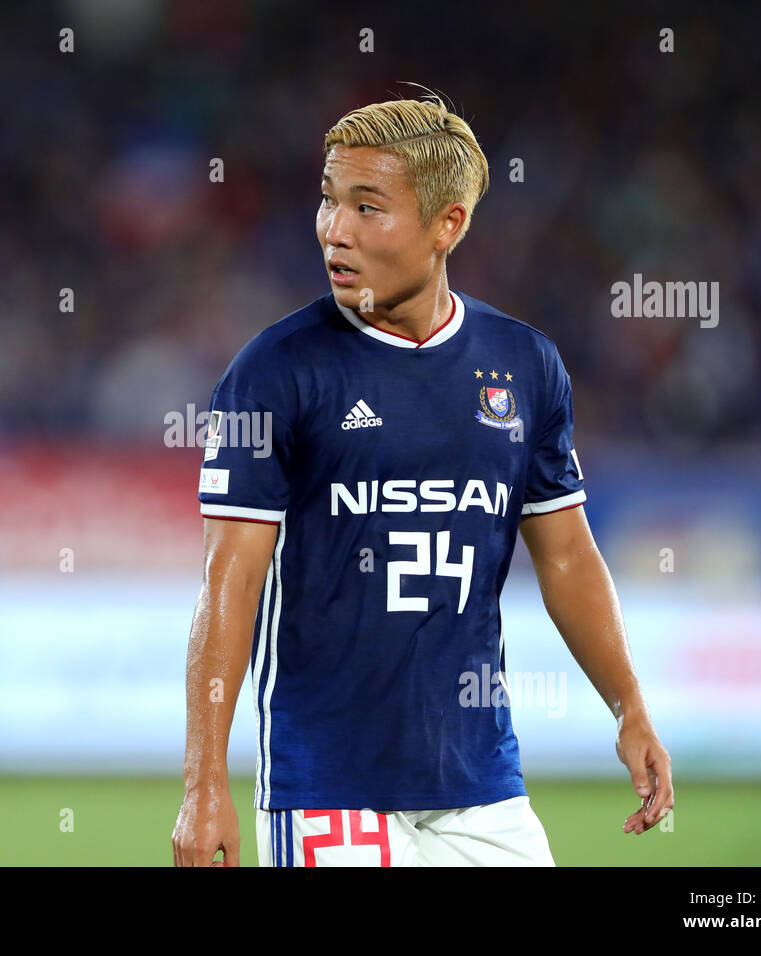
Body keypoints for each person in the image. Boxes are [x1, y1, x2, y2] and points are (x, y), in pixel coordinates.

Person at [172, 91, 672, 867]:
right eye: (328, 200)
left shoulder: (526, 367)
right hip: (329, 792)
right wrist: (204, 784)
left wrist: (628, 705)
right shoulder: (275, 372)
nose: (335, 230)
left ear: (449, 225)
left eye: (367, 207)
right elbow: (229, 581)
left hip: (484, 786)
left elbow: (568, 555)